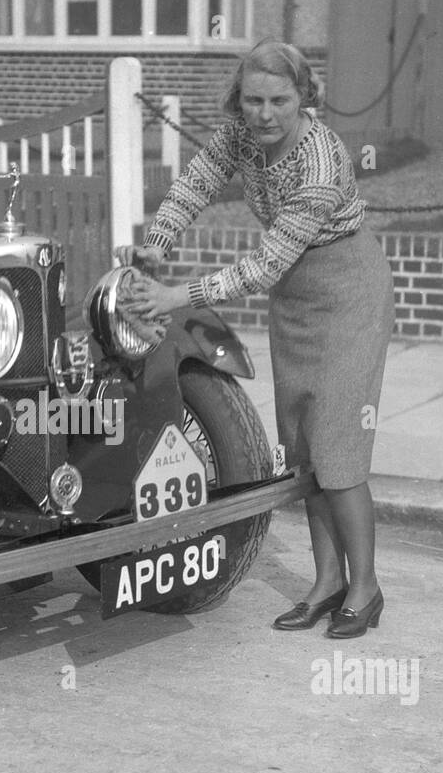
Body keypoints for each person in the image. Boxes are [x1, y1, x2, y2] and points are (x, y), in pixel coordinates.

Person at [120, 40, 394, 639]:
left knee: (339, 444)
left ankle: (366, 588)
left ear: (304, 98)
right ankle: (326, 585)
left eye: (279, 100)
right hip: (294, 295)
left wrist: (175, 297)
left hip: (348, 292)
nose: (264, 114)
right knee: (301, 447)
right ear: (238, 100)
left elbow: (263, 266)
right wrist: (158, 241)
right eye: (252, 100)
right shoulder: (240, 136)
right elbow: (196, 183)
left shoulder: (322, 161)